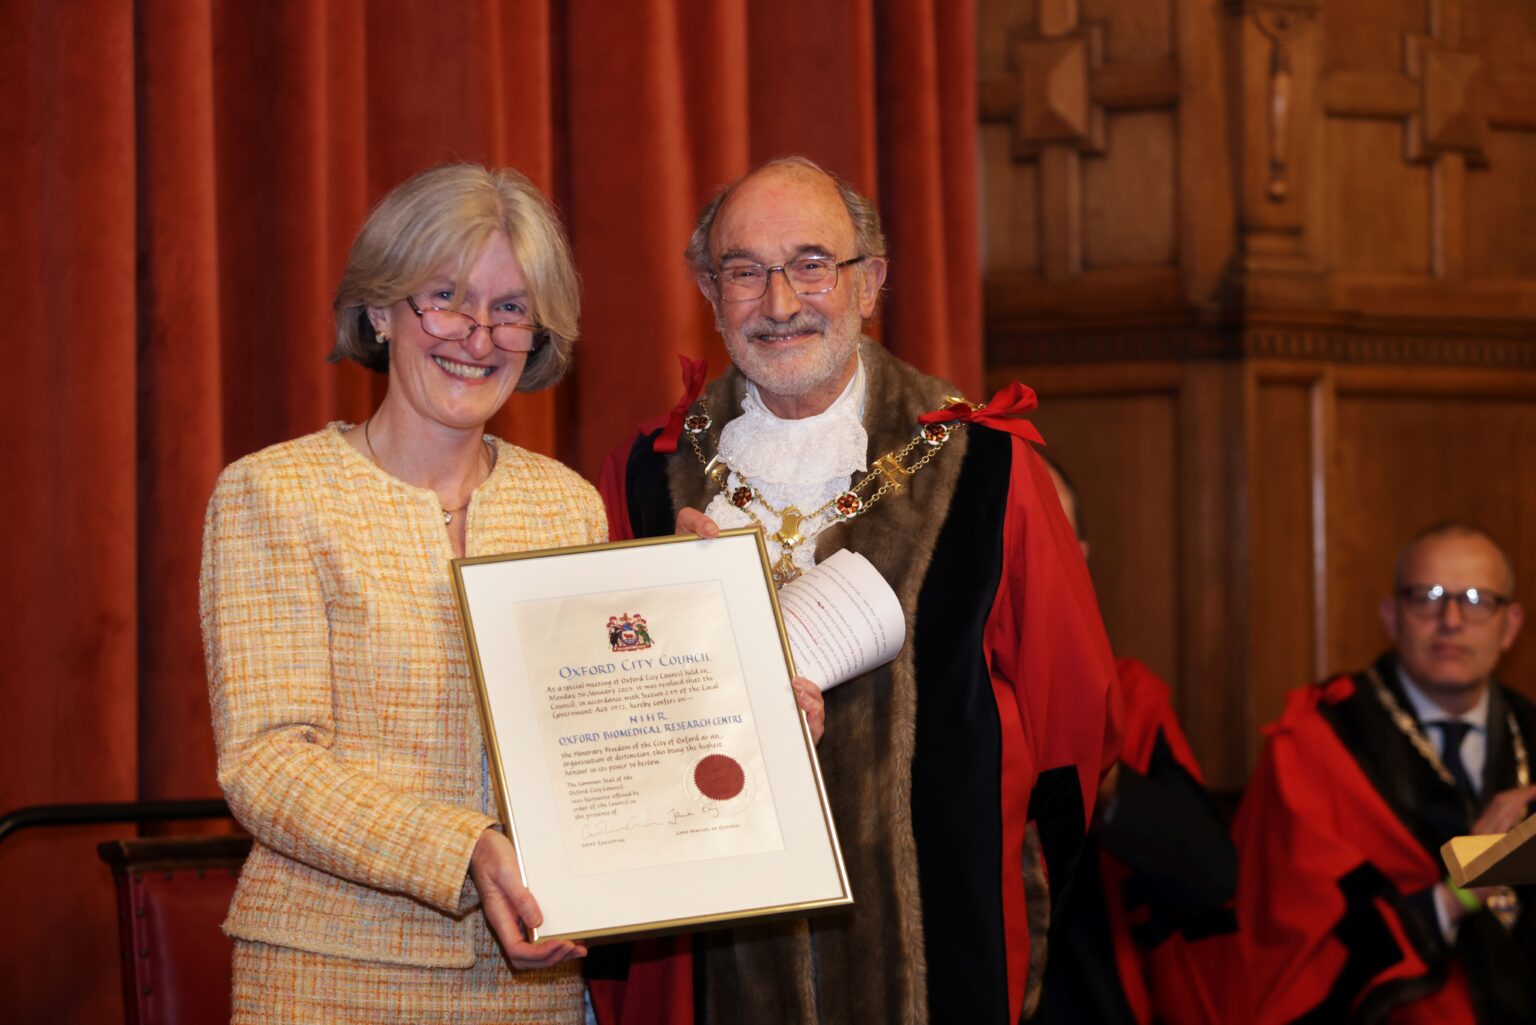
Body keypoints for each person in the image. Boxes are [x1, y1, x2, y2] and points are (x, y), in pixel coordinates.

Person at [596, 157, 1121, 1025]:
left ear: (869, 281)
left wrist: (1011, 909)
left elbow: (1075, 731)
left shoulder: (991, 470)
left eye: (811, 264)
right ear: (706, 288)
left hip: (941, 957)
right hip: (709, 963)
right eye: (743, 271)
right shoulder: (648, 479)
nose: (779, 302)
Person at [199, 163, 603, 1024]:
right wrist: (465, 848)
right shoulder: (274, 493)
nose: (477, 334)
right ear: (380, 310)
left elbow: (593, 735)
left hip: (531, 979)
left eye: (510, 307)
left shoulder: (567, 504)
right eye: (446, 296)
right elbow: (268, 762)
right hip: (329, 975)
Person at [1231, 522, 1536, 1024]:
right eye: (1427, 597)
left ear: (1511, 625)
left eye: (1478, 600)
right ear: (1391, 617)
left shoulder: (1531, 731)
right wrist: (1456, 896)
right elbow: (1289, 944)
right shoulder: (1319, 741)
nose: (1451, 620)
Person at [1028, 456, 1236, 1025]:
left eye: (1050, 540)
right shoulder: (918, 698)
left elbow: (1209, 878)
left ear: (1083, 562)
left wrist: (1100, 768)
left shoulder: (1128, 697)